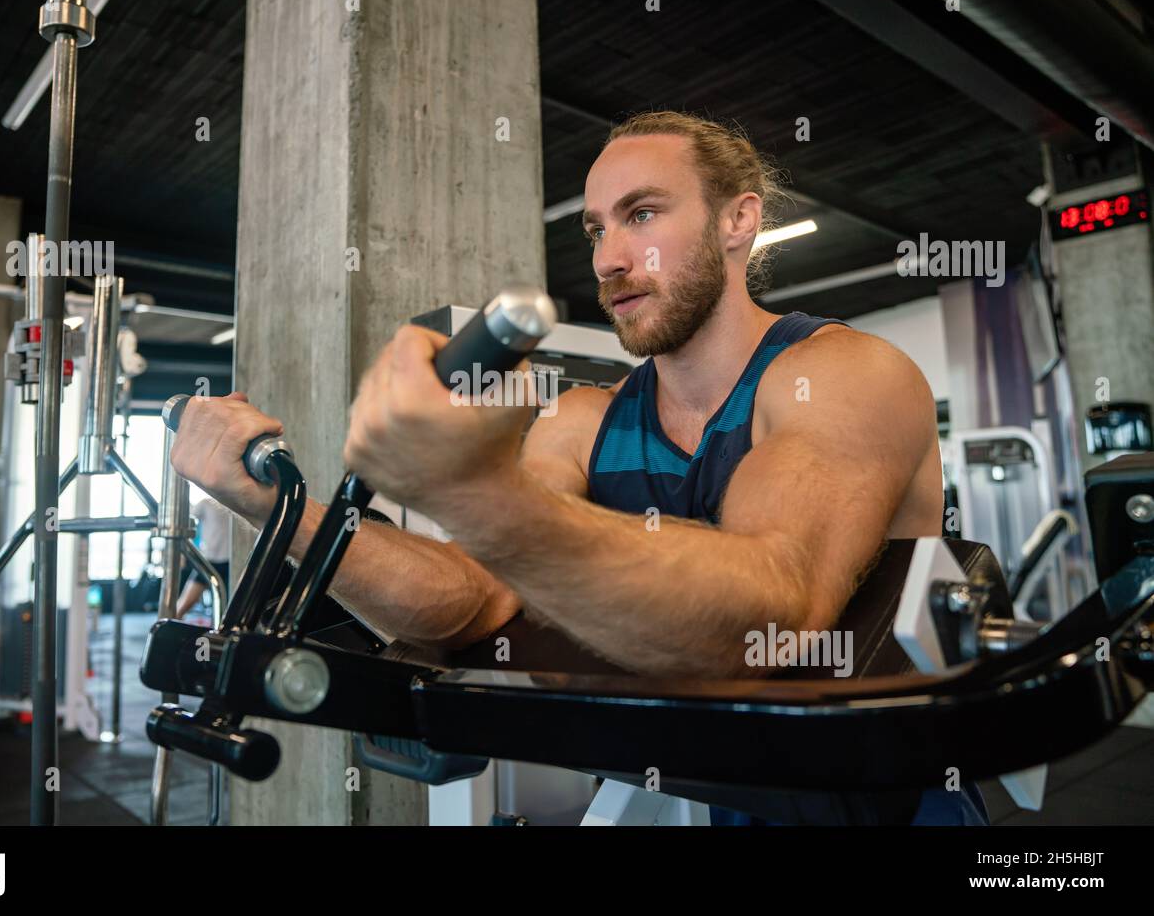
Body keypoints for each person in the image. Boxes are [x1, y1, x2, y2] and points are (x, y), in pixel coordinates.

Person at [169, 110, 987, 825]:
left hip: (876, 799)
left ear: (739, 220)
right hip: (684, 789)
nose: (607, 259)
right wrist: (277, 504)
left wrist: (478, 493)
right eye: (597, 229)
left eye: (642, 214)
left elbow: (777, 614)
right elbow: (469, 603)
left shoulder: (848, 375)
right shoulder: (586, 420)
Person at [175, 496, 232, 619]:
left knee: (229, 612)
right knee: (182, 606)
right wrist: (181, 553)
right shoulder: (206, 503)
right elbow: (185, 521)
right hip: (209, 562)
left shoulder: (236, 503)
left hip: (232, 563)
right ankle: (170, 634)